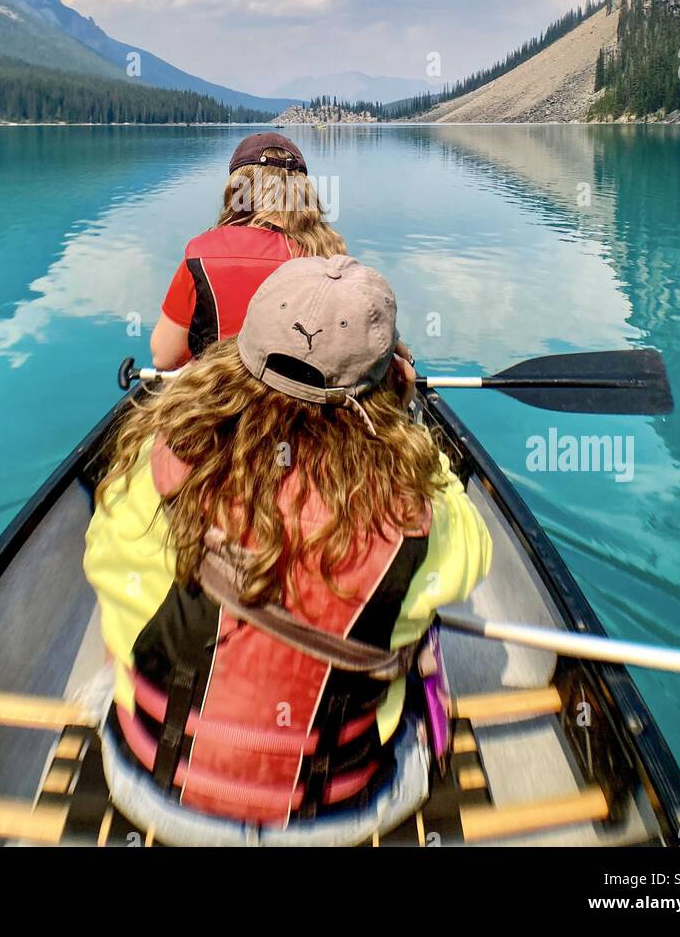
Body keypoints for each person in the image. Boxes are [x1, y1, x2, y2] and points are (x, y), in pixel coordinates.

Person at [85, 255, 492, 846]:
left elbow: (101, 561)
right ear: (386, 380)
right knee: (420, 630)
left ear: (238, 355)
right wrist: (418, 440)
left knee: (117, 641)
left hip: (152, 789)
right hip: (342, 814)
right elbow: (474, 558)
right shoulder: (419, 513)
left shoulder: (154, 465)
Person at [150, 131, 346, 370]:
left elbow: (164, 357)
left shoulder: (201, 254)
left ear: (236, 189)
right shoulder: (331, 255)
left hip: (221, 397)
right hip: (302, 402)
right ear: (302, 191)